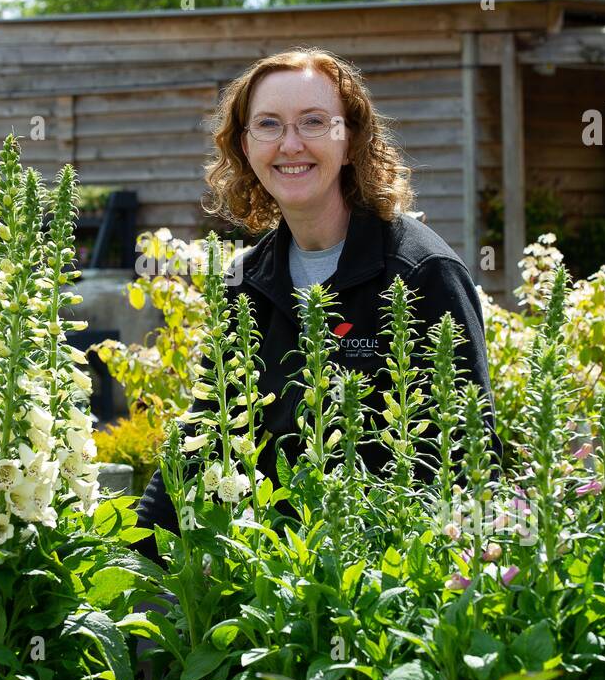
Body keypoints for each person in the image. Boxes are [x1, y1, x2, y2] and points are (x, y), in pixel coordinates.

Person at [131, 47, 502, 567]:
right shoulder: (245, 281)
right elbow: (207, 430)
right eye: (268, 125)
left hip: (390, 586)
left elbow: (468, 452)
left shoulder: (423, 272)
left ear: (350, 140)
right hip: (279, 583)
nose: (290, 144)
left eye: (313, 122)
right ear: (245, 146)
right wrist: (130, 553)